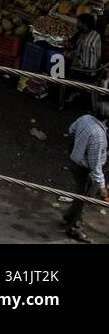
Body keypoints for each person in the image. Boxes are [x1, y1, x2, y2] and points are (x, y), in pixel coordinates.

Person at [63, 101, 109, 243]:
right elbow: (95, 165)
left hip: (74, 163)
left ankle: (70, 216)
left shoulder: (84, 118)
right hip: (84, 169)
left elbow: (71, 130)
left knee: (79, 193)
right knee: (83, 197)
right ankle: (75, 227)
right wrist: (102, 187)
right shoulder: (98, 135)